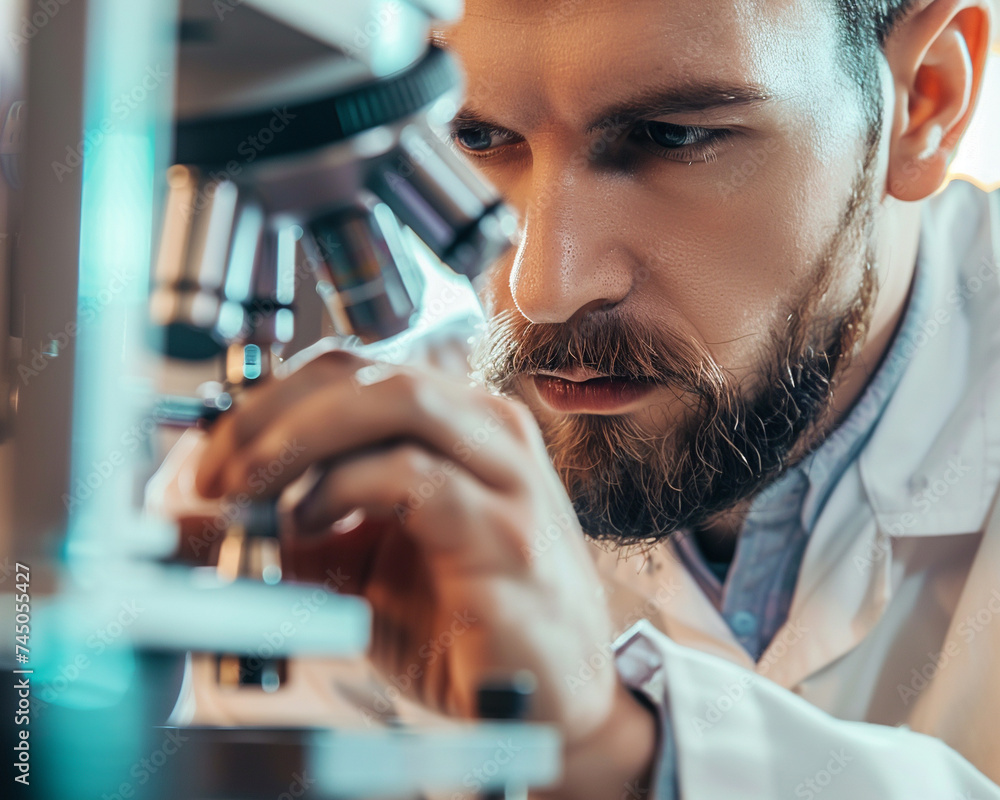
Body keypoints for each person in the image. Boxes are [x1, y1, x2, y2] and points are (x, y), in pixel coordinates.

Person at [184, 0, 1000, 797]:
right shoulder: (391, 475)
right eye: (479, 138)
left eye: (672, 138)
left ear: (926, 97)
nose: (544, 287)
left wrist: (610, 747)